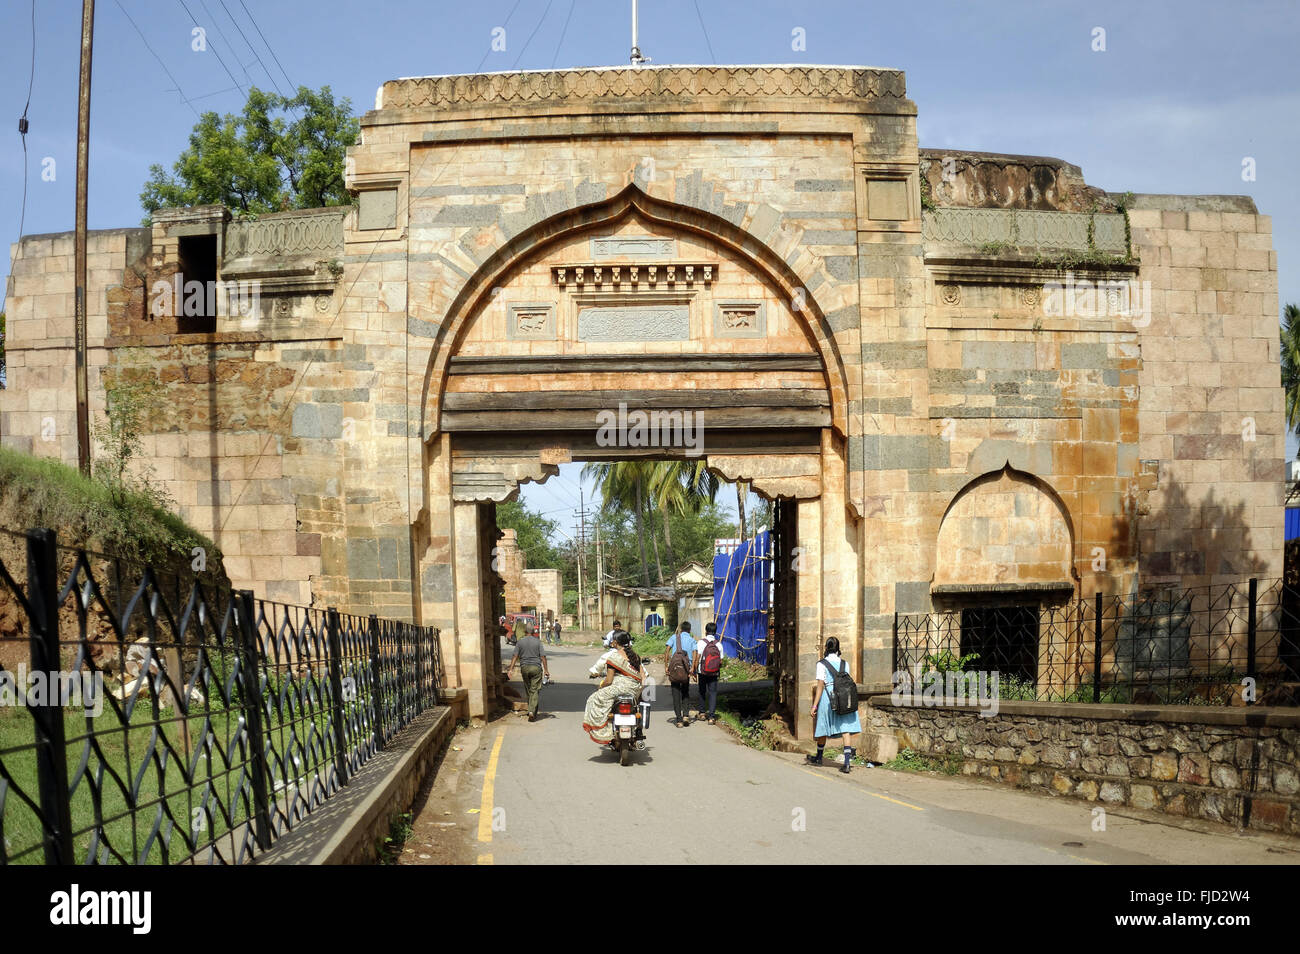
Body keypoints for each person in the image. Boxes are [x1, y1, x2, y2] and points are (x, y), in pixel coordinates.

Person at [805, 636, 862, 773]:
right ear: (838, 648)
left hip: (828, 696)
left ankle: (819, 757)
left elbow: (820, 686)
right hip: (843, 696)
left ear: (826, 648)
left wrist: (814, 705)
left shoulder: (821, 664)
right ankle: (847, 763)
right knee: (845, 728)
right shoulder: (845, 663)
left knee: (823, 725)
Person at [582, 631, 645, 745]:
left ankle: (604, 730)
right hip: (635, 690)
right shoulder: (635, 656)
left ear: (615, 643)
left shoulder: (613, 657)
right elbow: (642, 677)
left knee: (593, 698)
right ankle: (638, 729)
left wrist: (601, 687)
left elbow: (609, 681)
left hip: (619, 688)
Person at [506, 623, 550, 722]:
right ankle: (531, 711)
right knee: (534, 690)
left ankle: (532, 710)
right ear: (533, 632)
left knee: (528, 689)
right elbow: (543, 657)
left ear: (525, 632)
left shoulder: (520, 642)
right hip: (536, 668)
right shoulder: (538, 642)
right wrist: (546, 670)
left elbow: (515, 656)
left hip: (524, 668)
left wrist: (511, 669)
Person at [662, 621, 696, 727]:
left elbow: (667, 650)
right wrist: (693, 668)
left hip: (675, 669)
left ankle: (679, 720)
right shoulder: (692, 640)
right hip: (686, 669)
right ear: (689, 630)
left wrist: (666, 666)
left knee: (675, 693)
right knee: (685, 692)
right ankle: (686, 715)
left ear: (680, 629)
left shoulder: (674, 637)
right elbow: (695, 653)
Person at [693, 621, 722, 725]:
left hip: (702, 672)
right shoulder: (718, 644)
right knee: (713, 693)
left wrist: (694, 671)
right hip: (714, 673)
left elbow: (697, 657)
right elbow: (721, 661)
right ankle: (711, 717)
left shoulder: (701, 642)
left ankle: (702, 713)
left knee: (702, 691)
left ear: (706, 631)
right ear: (715, 632)